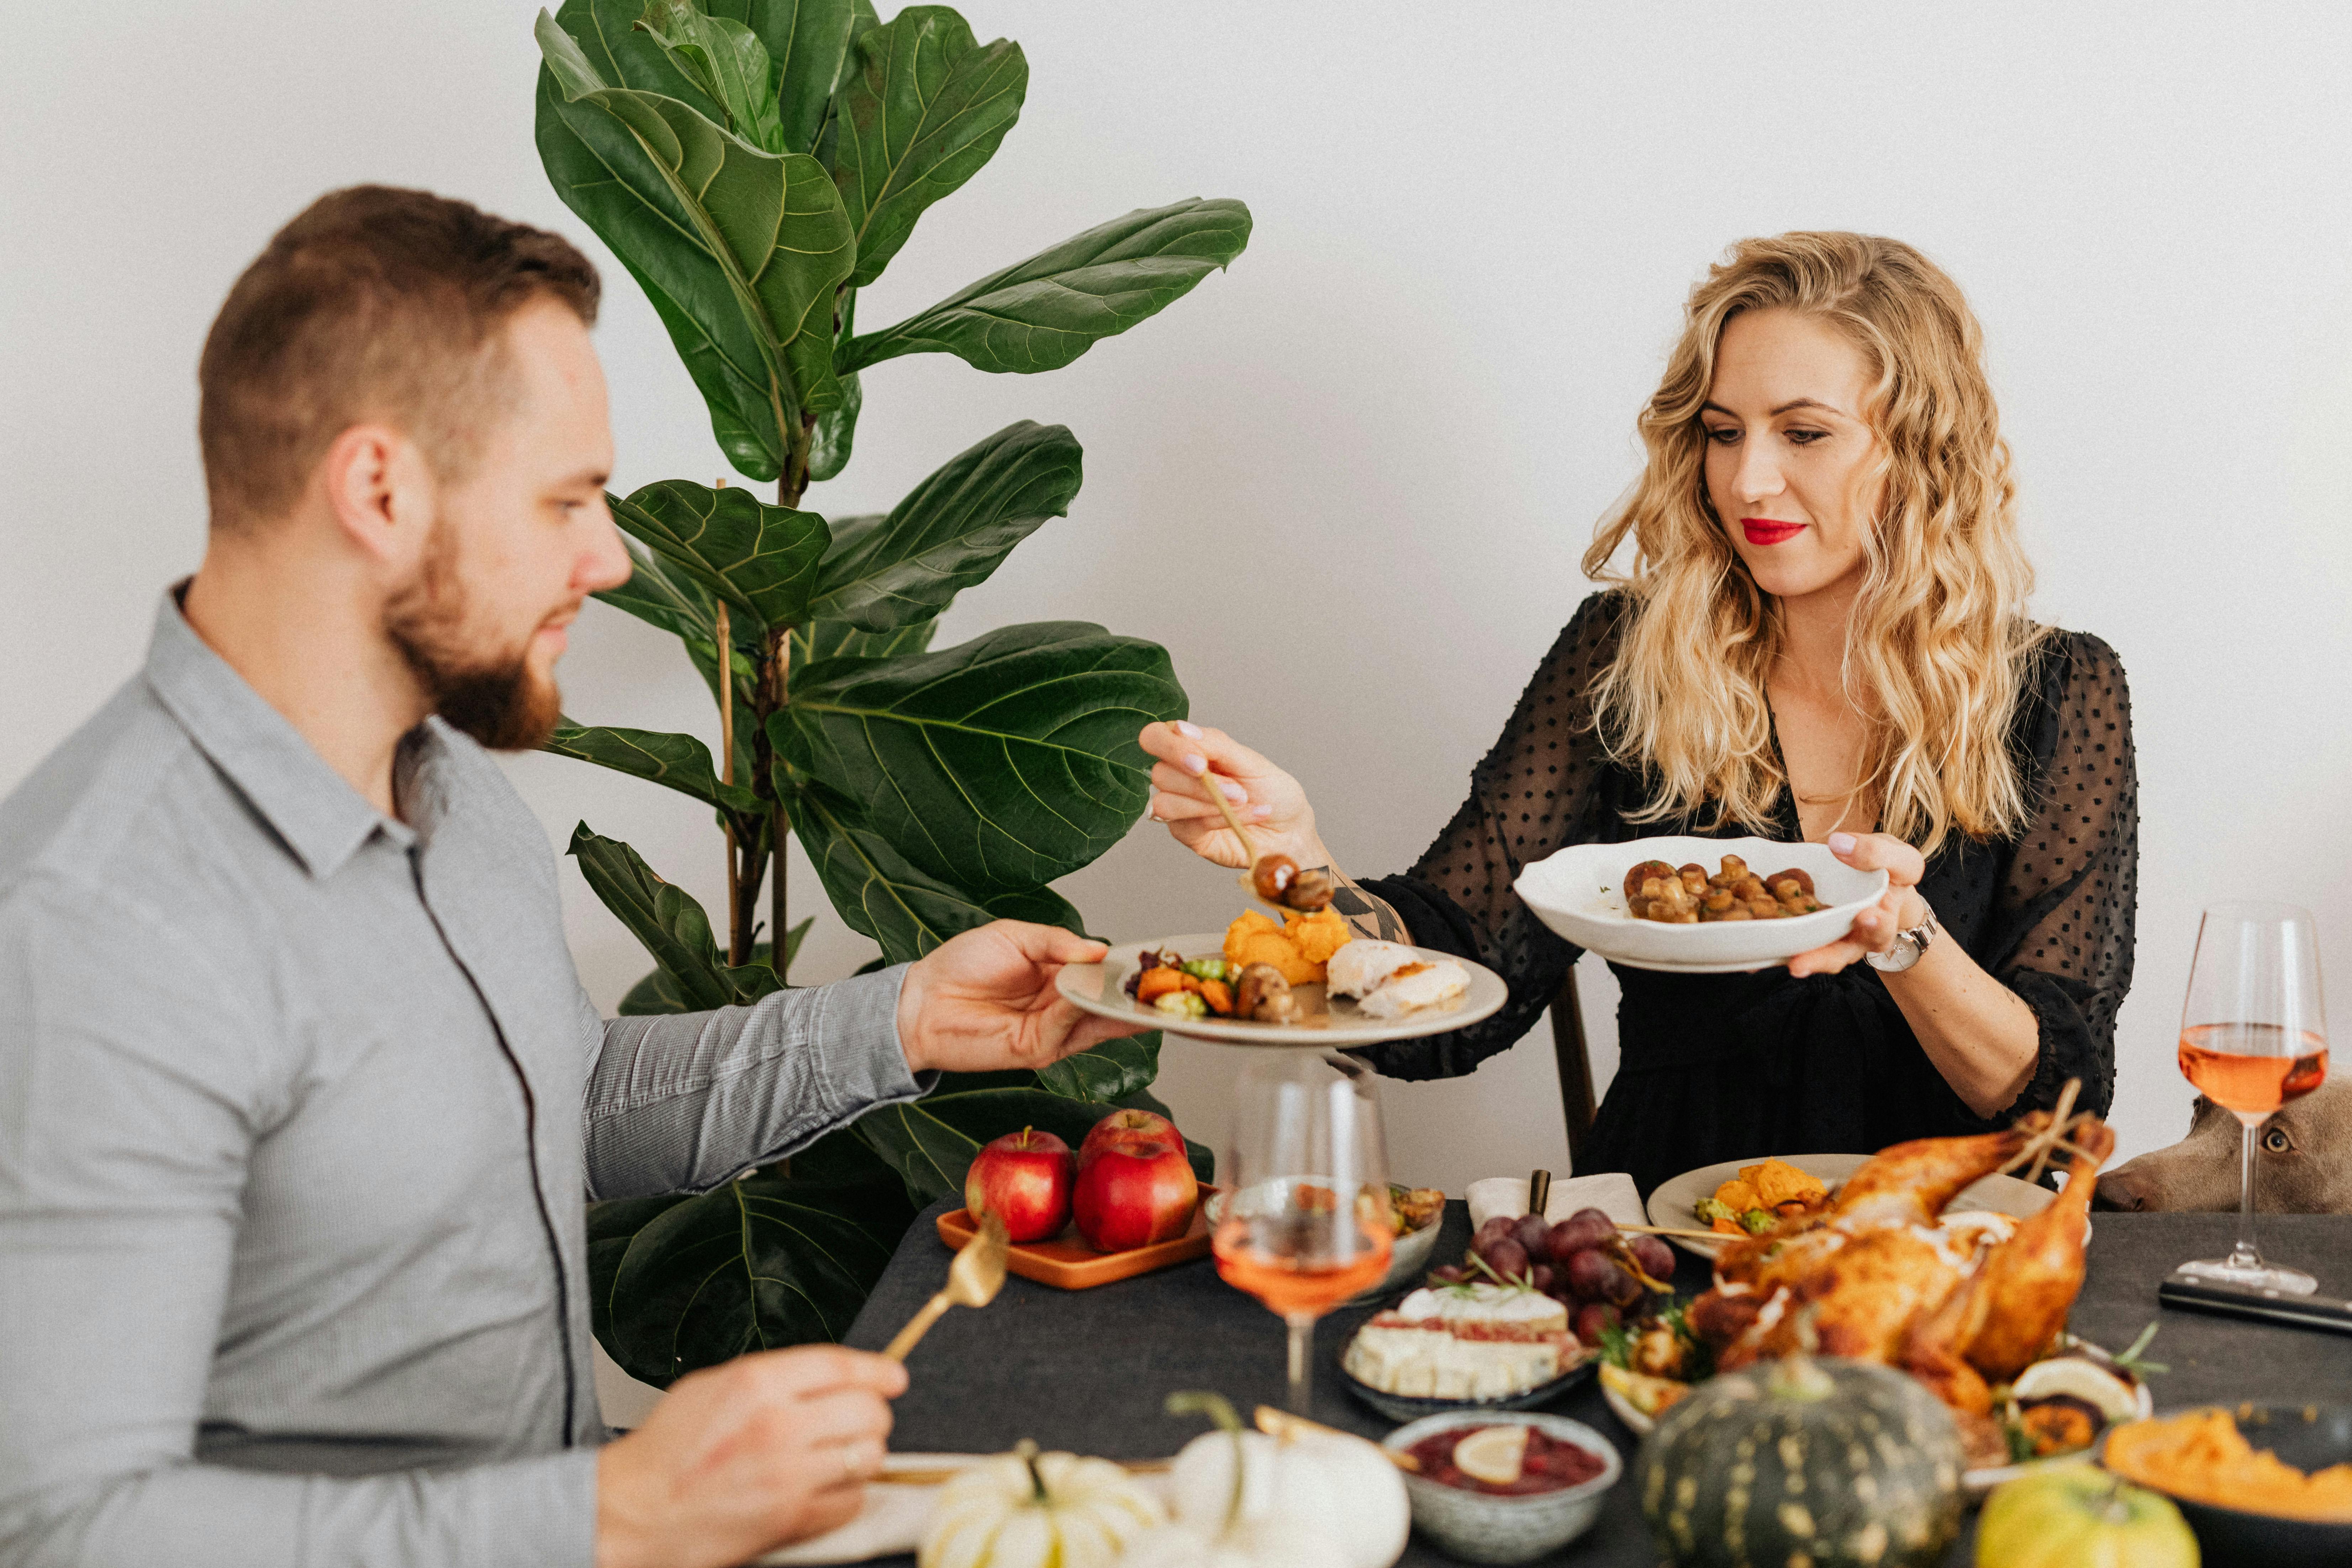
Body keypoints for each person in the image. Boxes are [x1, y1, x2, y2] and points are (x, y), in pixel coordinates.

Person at [0, 187, 1138, 1568]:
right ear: (379, 490)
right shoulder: (102, 923)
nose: (609, 558)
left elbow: (555, 1098)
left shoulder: (454, 785)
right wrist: (609, 1515)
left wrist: (899, 1023)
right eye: (569, 501)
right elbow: (69, 1527)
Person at [1141, 232, 2137, 1198]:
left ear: (1922, 452)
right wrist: (1301, 863)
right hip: (1661, 1242)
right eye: (1720, 431)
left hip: (1943, 1262)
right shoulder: (1628, 659)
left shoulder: (2056, 695)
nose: (1747, 480)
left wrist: (1903, 941)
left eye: (1802, 433)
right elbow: (1453, 1000)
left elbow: (2061, 1102)